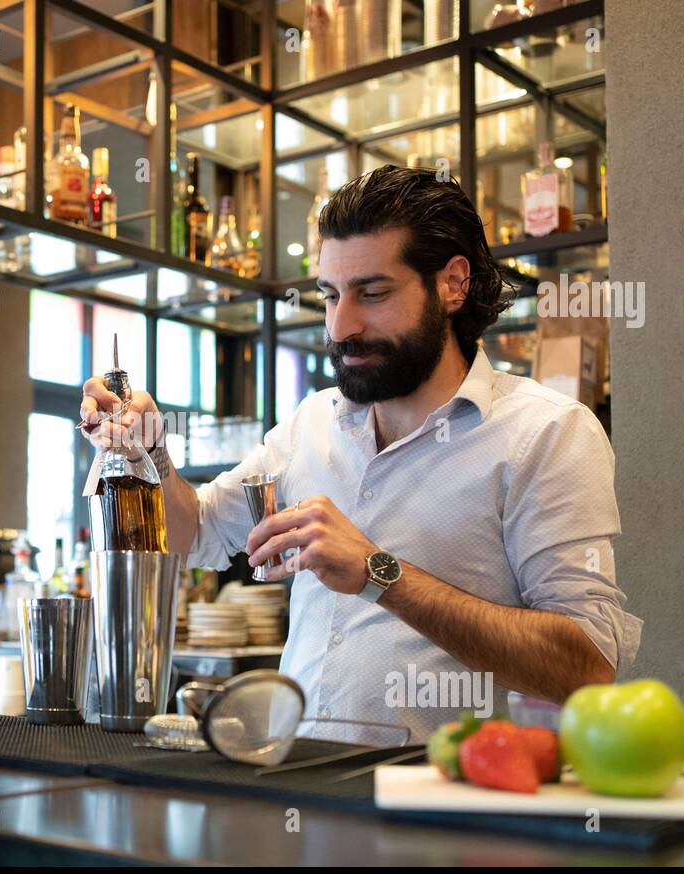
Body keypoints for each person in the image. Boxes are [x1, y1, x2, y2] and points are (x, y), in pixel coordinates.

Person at [81, 165, 641, 743]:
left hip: (441, 810)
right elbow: (193, 532)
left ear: (452, 284)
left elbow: (587, 667)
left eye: (372, 293)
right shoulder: (311, 424)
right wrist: (150, 454)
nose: (341, 326)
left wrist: (379, 572)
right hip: (292, 787)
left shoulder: (546, 433)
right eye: (330, 295)